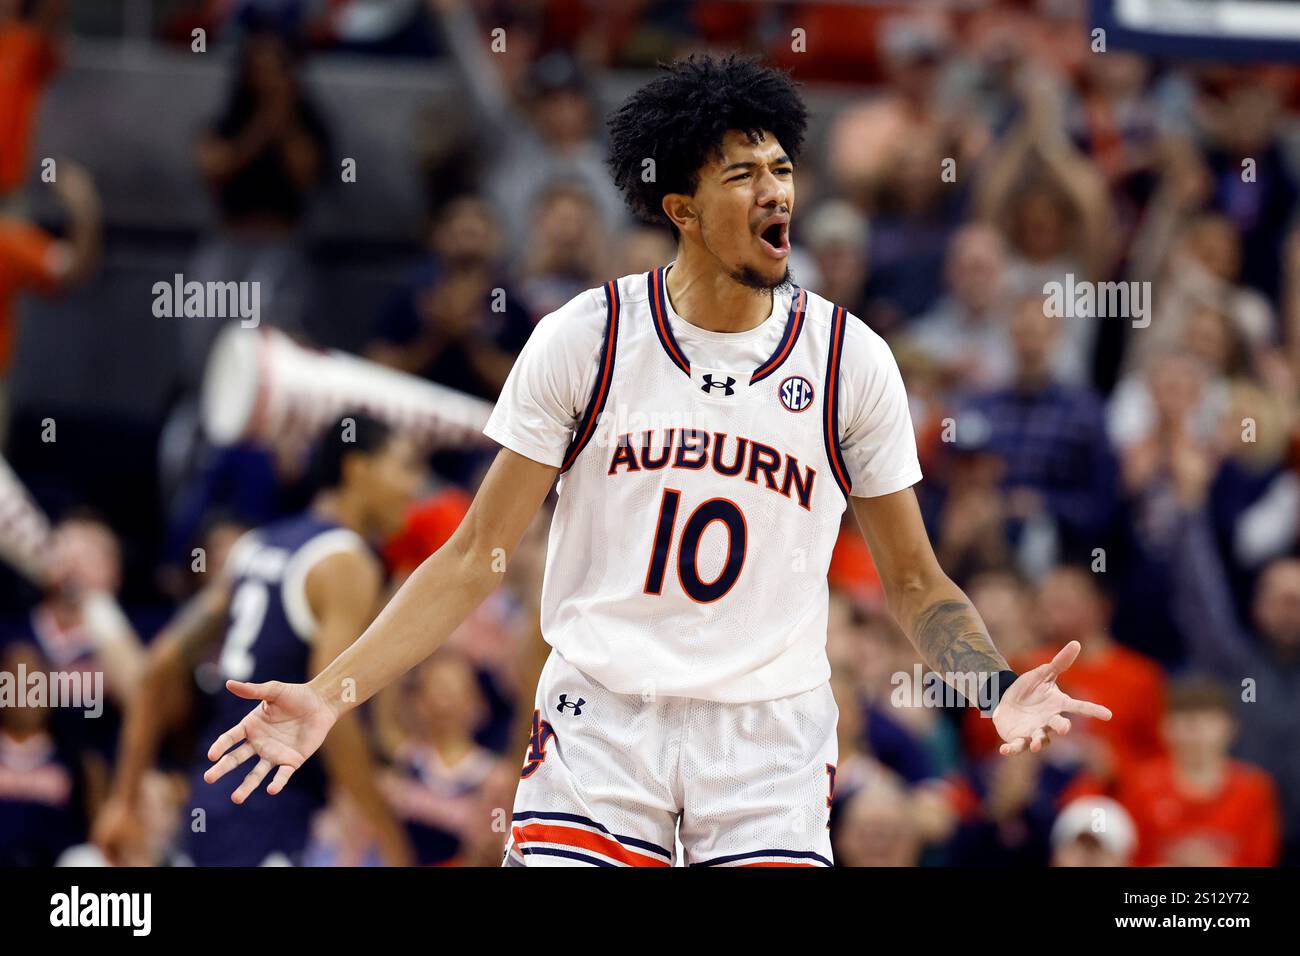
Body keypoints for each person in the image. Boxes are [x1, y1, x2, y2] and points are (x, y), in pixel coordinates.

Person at [200, 55, 1111, 868]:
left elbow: (916, 583)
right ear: (681, 207)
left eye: (783, 170)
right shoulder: (583, 340)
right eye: (743, 174)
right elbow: (475, 556)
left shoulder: (850, 360)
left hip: (767, 740)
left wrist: (994, 686)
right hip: (603, 724)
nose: (776, 192)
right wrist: (331, 692)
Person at [94, 413, 425, 866]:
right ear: (358, 468)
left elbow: (157, 668)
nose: (414, 486)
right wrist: (391, 839)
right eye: (404, 467)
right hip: (268, 809)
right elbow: (333, 715)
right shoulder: (347, 563)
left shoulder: (255, 546)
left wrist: (122, 800)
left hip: (211, 799)